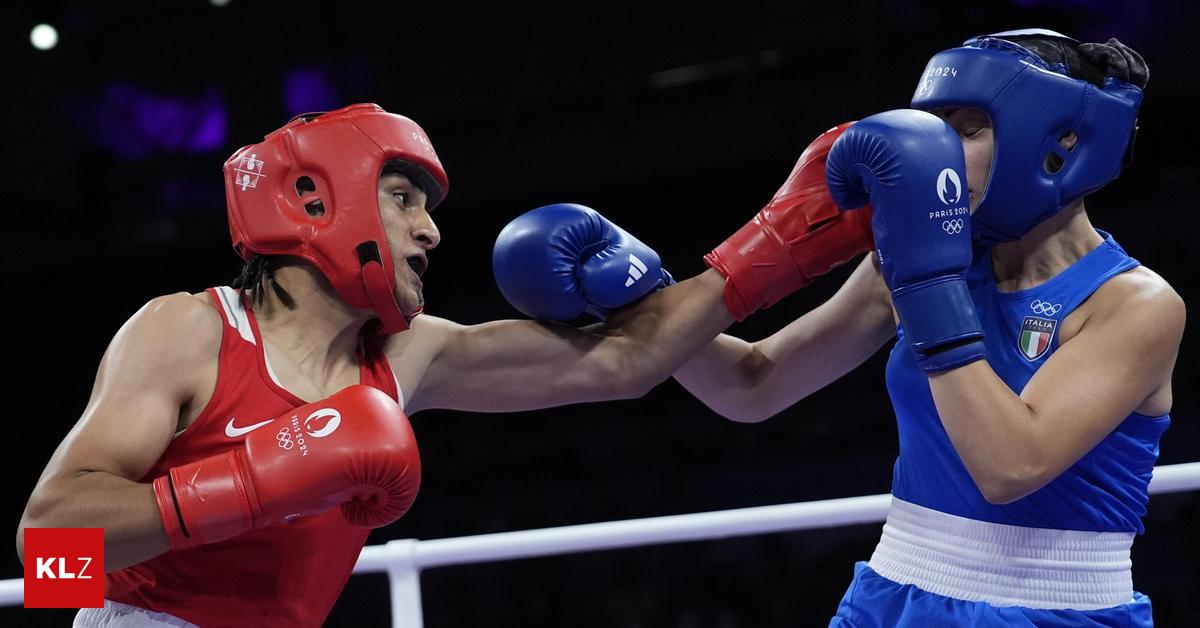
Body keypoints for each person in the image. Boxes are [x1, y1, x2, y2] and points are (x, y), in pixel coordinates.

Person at [16, 103, 873, 627]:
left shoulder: (405, 358)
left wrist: (773, 249)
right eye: (403, 202)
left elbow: (629, 362)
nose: (429, 233)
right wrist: (243, 485)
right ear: (316, 201)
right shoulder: (188, 330)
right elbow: (46, 556)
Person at [526, 30, 1180, 625]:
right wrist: (640, 299)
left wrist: (928, 283)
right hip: (892, 591)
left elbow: (1010, 465)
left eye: (970, 128)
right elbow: (753, 386)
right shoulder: (905, 263)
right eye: (935, 128)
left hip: (1053, 611)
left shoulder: (1133, 304)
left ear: (1060, 143)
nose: (939, 154)